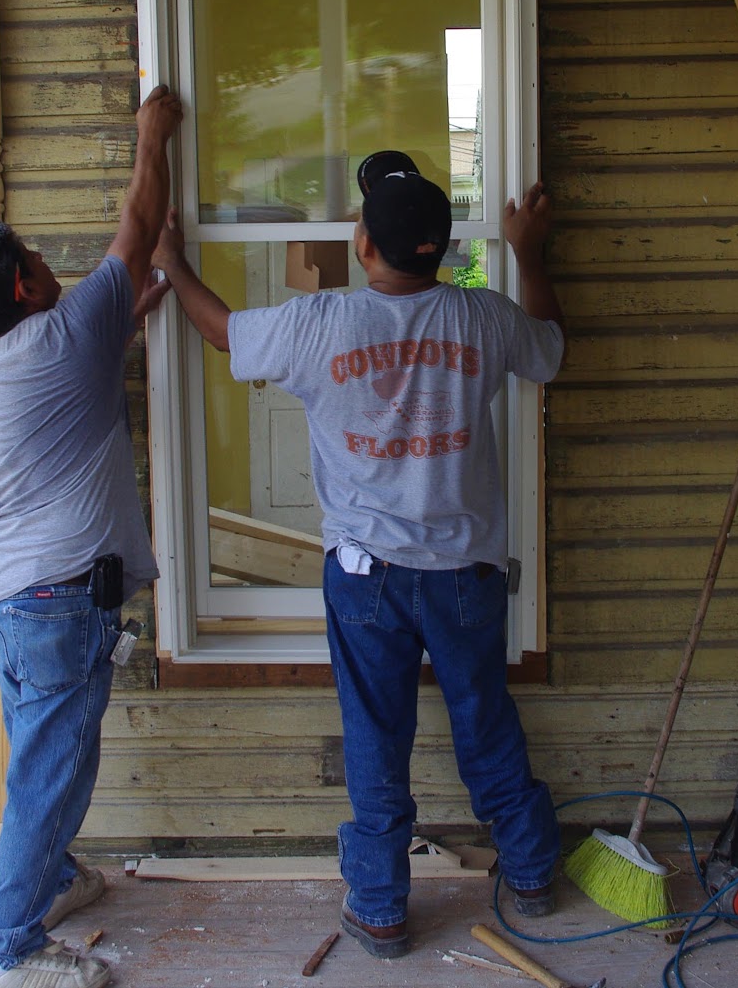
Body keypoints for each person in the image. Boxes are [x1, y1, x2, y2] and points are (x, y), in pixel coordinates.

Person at [159, 163, 566, 960]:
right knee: (484, 722)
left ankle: (380, 908)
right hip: (465, 577)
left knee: (376, 738)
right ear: (444, 251)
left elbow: (222, 331)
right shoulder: (480, 318)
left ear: (363, 243)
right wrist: (527, 250)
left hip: (365, 577)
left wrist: (172, 263)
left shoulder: (322, 323)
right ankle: (532, 872)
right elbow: (551, 351)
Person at [0, 85, 182, 988]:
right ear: (27, 288)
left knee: (42, 753)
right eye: (43, 262)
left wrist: (126, 315)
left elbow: (67, 372)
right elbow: (142, 214)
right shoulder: (70, 333)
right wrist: (152, 134)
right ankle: (3, 955)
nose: (56, 269)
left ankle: (54, 879)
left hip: (3, 594)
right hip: (59, 596)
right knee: (53, 773)